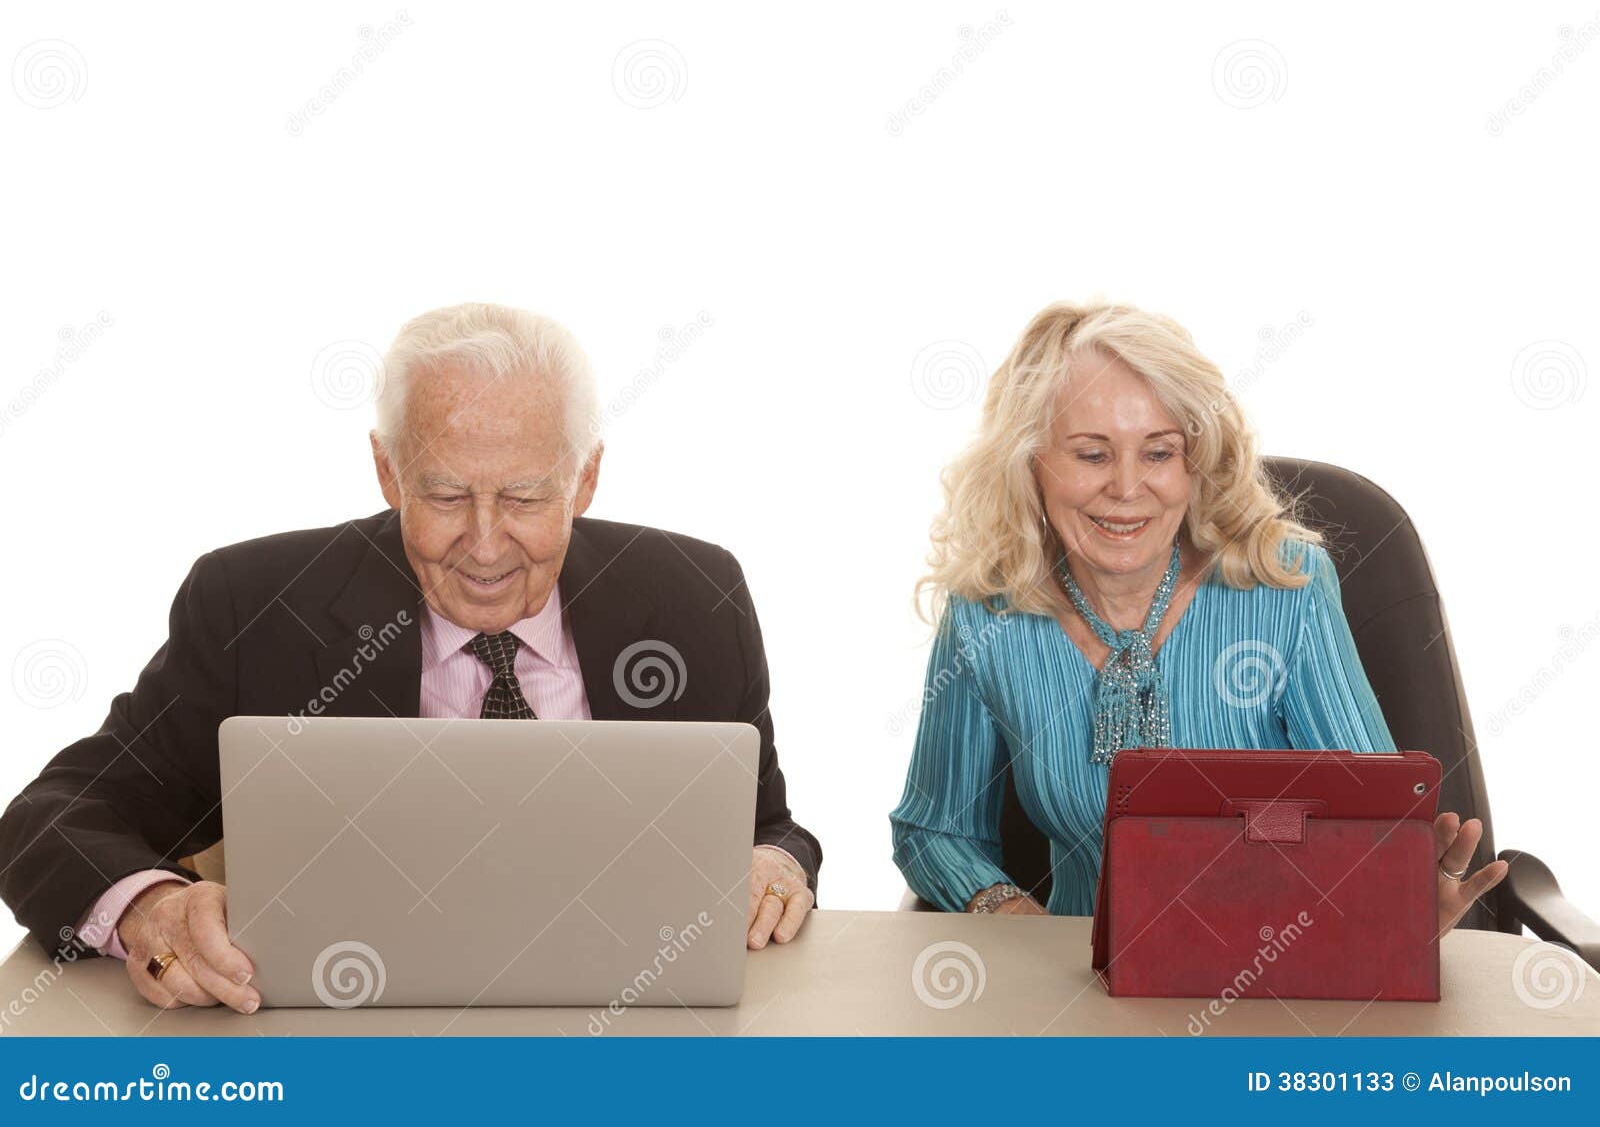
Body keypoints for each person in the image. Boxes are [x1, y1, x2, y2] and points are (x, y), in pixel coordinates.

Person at [0, 303, 820, 1013]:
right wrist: (151, 907)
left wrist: (775, 863)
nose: (486, 544)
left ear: (586, 478)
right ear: (388, 472)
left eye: (526, 496)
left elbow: (765, 825)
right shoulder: (255, 608)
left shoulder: (692, 599)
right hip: (336, 1046)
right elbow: (53, 816)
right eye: (446, 495)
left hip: (636, 1037)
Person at [890, 300, 1503, 930]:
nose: (1127, 488)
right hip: (1078, 975)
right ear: (1029, 462)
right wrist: (1011, 913)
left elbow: (1370, 821)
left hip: (1284, 963)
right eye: (1092, 455)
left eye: (1158, 453)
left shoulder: (1284, 586)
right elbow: (934, 828)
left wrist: (1399, 897)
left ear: (1195, 460)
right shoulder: (988, 615)